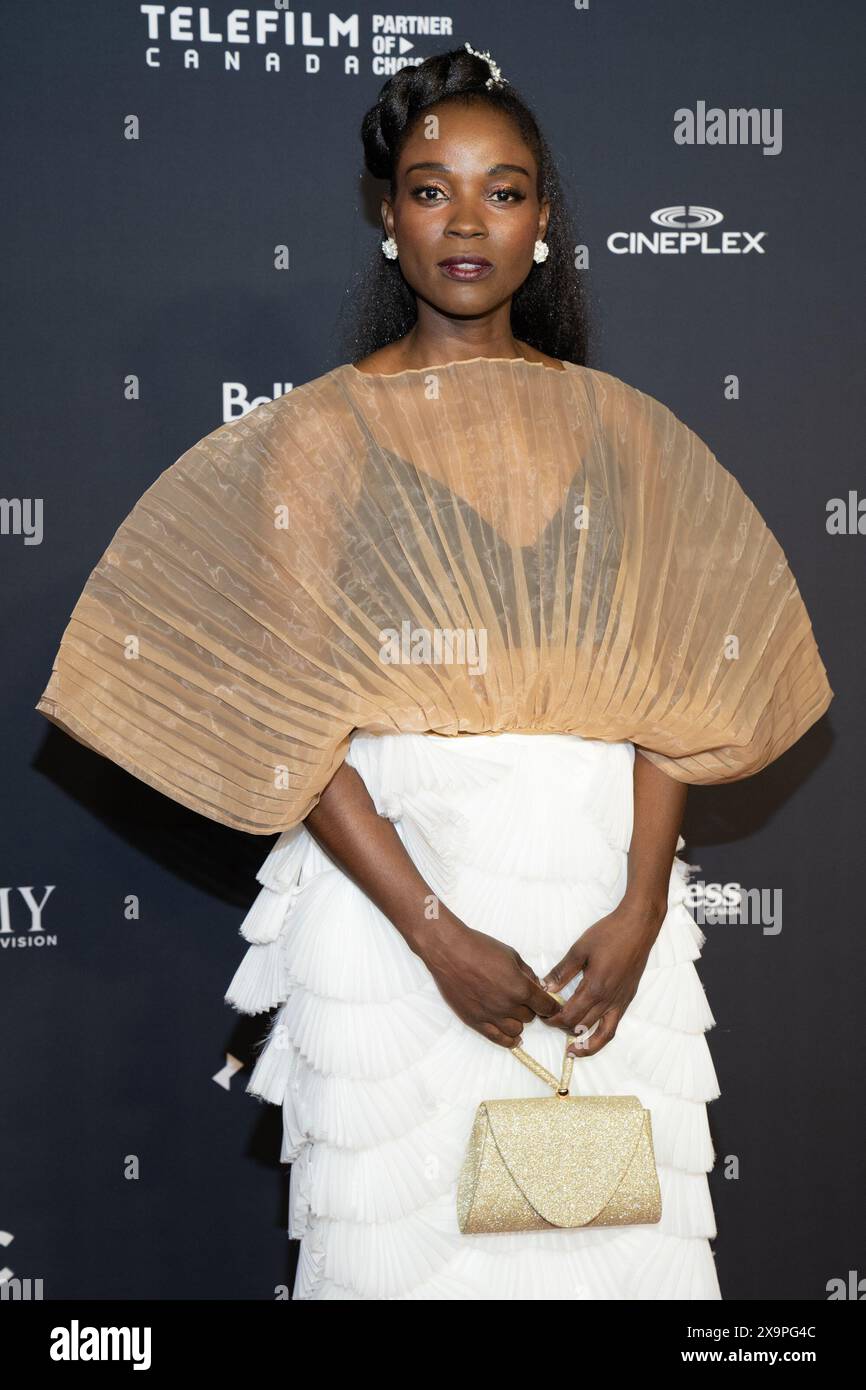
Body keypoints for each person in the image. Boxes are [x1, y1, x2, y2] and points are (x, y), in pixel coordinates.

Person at [35, 44, 833, 1301]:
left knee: (613, 1254)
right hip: (393, 904)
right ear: (387, 216)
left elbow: (674, 698)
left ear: (543, 220)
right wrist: (432, 931)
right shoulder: (315, 441)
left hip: (595, 909)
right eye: (429, 187)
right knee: (405, 1257)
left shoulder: (620, 434)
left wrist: (635, 909)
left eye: (502, 190)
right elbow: (297, 729)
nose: (466, 221)